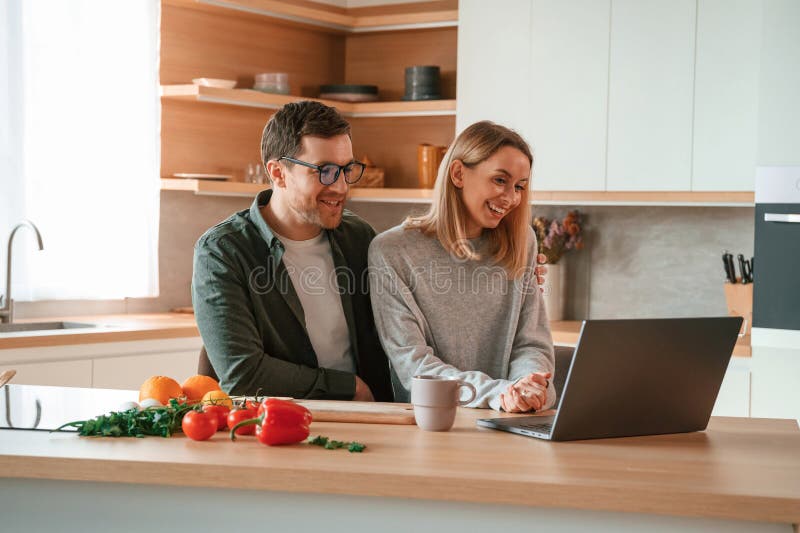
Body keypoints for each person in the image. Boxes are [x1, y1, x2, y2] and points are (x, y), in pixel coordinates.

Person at [192, 101, 393, 401]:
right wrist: (348, 387)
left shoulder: (359, 238)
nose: (340, 187)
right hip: (272, 429)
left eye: (346, 169)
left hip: (367, 420)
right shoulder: (223, 253)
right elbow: (244, 374)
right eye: (324, 171)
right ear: (278, 173)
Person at [368, 121, 555, 413]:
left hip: (511, 422)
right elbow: (413, 365)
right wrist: (499, 393)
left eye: (519, 186)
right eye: (500, 180)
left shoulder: (523, 241)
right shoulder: (392, 251)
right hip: (432, 424)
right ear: (458, 174)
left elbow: (531, 342)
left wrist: (527, 387)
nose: (511, 198)